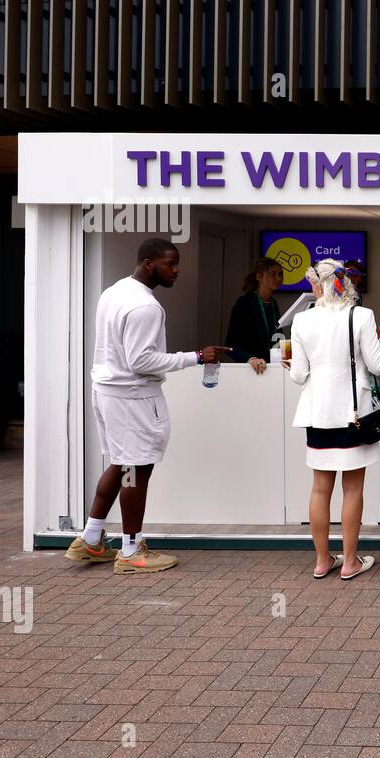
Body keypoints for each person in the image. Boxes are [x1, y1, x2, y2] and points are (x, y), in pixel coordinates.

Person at [64, 238, 229, 574]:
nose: (177, 270)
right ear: (149, 263)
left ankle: (91, 539)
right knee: (134, 471)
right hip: (132, 397)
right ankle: (130, 550)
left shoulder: (114, 292)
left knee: (121, 465)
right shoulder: (146, 307)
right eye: (171, 263)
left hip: (109, 391)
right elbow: (140, 360)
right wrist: (195, 357)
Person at [287, 260, 380, 580]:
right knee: (353, 490)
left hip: (318, 413)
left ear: (319, 286)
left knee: (320, 489)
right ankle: (350, 561)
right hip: (354, 413)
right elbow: (377, 365)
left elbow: (298, 375)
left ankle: (323, 560)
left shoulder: (301, 320)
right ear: (344, 283)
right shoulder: (361, 315)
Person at [225, 257, 284, 374]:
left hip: (272, 370)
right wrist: (250, 359)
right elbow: (230, 345)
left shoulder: (273, 303)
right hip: (249, 370)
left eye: (280, 274)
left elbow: (278, 337)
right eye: (273, 274)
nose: (278, 278)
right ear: (259, 277)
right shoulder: (245, 303)